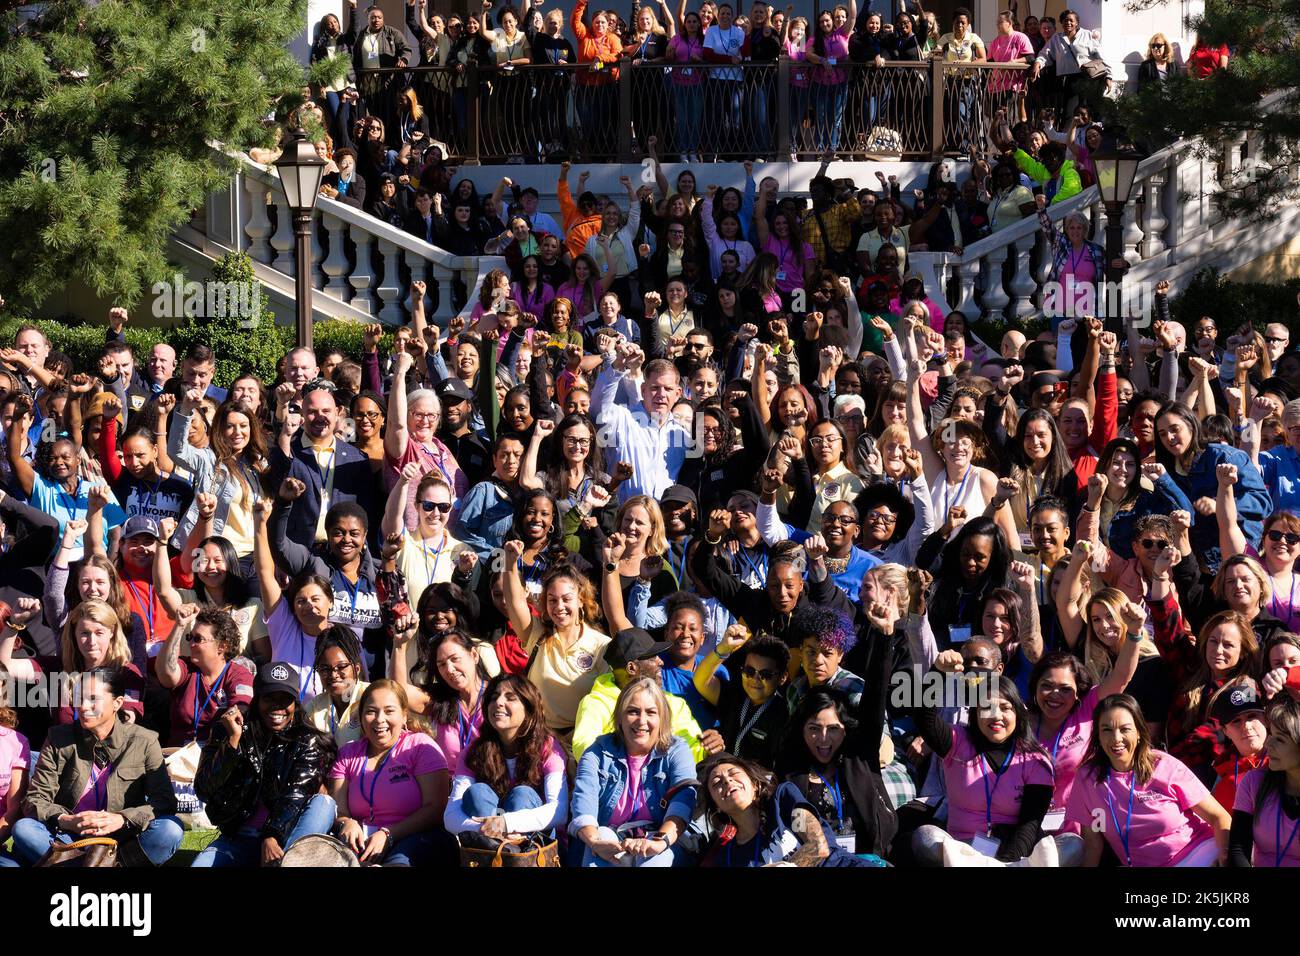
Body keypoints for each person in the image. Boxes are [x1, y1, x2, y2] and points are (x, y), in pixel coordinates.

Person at [13, 667, 183, 867]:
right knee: (24, 829)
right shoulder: (58, 738)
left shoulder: (145, 741)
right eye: (79, 698)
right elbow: (35, 800)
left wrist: (121, 818)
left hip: (122, 839)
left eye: (93, 699)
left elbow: (164, 802)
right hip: (70, 839)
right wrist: (67, 820)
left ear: (117, 703)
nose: (83, 707)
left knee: (171, 830)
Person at [192, 661, 338, 867]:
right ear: (257, 699)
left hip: (284, 840)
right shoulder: (230, 729)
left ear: (295, 703)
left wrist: (272, 835)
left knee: (324, 804)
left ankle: (292, 863)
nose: (277, 707)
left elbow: (295, 795)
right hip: (238, 838)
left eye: (285, 699)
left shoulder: (308, 739)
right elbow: (203, 789)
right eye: (269, 698)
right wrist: (232, 743)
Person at [1067, 693, 1232, 866]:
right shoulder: (1087, 779)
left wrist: (1226, 857)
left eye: (1125, 729)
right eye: (1107, 729)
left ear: (1139, 732)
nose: (1116, 738)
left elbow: (1218, 817)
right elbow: (1093, 844)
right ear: (1098, 736)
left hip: (1199, 854)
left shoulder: (1164, 765)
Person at [569, 677, 699, 866]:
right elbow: (583, 804)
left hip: (661, 838)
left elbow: (683, 801)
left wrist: (658, 842)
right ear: (620, 718)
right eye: (633, 712)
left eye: (651, 713)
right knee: (601, 836)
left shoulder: (677, 749)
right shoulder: (597, 752)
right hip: (609, 836)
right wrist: (596, 842)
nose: (642, 721)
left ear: (662, 719)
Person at [328, 679, 454, 866]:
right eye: (371, 711)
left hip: (415, 840)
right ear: (361, 717)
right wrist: (346, 822)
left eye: (389, 711)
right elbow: (340, 811)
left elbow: (436, 809)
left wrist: (388, 834)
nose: (380, 719)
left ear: (404, 716)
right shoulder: (348, 753)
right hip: (362, 845)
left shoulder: (420, 746)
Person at [444, 673, 568, 846]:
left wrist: (507, 823)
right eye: (494, 697)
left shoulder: (548, 748)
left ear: (529, 708)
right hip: (490, 842)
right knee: (477, 793)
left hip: (535, 844)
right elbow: (451, 816)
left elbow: (559, 811)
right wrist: (488, 828)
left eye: (510, 697)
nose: (499, 702)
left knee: (522, 795)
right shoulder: (474, 751)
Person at [698, 752, 882, 866]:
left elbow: (818, 845)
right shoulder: (729, 858)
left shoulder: (783, 800)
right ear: (717, 807)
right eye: (717, 783)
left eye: (733, 773)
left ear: (754, 784)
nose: (727, 781)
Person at [572, 627, 706, 762]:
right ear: (631, 668)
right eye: (652, 657)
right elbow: (584, 747)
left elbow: (692, 750)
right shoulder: (596, 704)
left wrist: (705, 750)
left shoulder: (674, 704)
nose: (661, 661)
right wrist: (626, 768)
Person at [1229, 697, 1300, 866]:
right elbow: (1237, 850)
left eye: (1280, 739)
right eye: (1271, 734)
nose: (1268, 744)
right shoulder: (1253, 782)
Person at [304, 627, 371, 747]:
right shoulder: (313, 708)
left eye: (341, 667)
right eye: (325, 669)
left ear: (357, 668)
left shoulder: (372, 696)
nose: (333, 675)